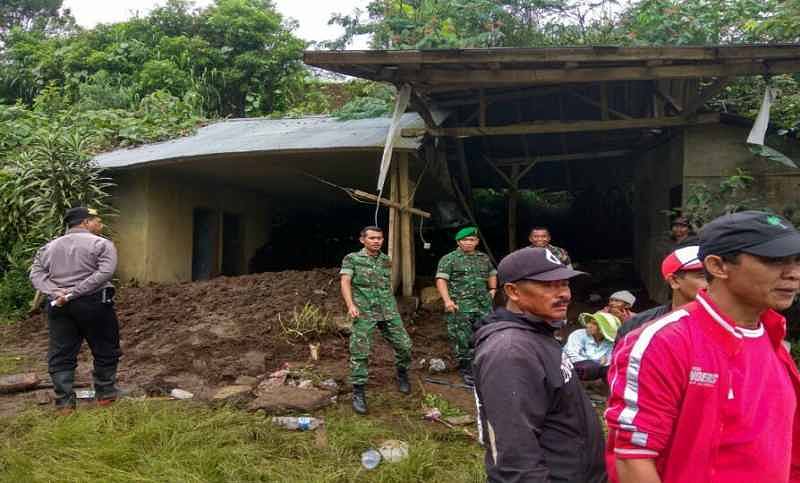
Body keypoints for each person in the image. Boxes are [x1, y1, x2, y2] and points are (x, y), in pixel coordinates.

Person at [606, 211, 800, 483]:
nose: (792, 274)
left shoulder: (771, 335)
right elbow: (633, 460)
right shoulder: (665, 342)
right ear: (718, 266)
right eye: (773, 260)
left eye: (796, 260)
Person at [473, 247, 607, 482]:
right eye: (548, 285)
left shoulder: (538, 332)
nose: (564, 294)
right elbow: (515, 459)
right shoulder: (511, 351)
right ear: (513, 291)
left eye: (564, 284)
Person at [29, 207, 122, 413]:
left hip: (59, 306)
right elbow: (105, 273)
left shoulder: (48, 247)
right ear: (85, 222)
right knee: (105, 347)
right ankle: (106, 395)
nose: (100, 224)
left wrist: (55, 292)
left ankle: (65, 403)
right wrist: (75, 292)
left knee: (61, 351)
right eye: (97, 221)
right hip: (95, 303)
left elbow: (36, 275)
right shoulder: (102, 244)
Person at [340, 226, 413, 415]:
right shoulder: (352, 259)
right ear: (362, 239)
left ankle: (402, 373)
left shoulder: (385, 260)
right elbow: (345, 282)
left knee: (404, 345)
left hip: (388, 310)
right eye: (372, 238)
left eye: (379, 238)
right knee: (360, 351)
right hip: (364, 311)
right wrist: (350, 305)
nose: (376, 241)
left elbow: (385, 285)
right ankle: (358, 391)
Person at [435, 226, 497, 385]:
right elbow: (441, 280)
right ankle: (466, 369)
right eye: (465, 240)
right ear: (458, 241)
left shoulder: (483, 258)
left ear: (477, 241)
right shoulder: (449, 259)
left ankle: (484, 364)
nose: (469, 243)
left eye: (472, 240)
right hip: (460, 305)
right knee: (462, 337)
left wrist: (493, 289)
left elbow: (492, 273)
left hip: (482, 304)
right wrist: (447, 300)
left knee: (486, 333)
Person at [615, 242, 707, 342]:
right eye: (703, 276)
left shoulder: (724, 323)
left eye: (716, 275)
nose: (713, 283)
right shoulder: (636, 326)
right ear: (674, 281)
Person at [564, 311, 620, 381]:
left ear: (603, 330)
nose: (588, 325)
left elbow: (608, 360)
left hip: (595, 369)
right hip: (571, 366)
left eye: (594, 324)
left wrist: (602, 362)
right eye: (590, 322)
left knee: (610, 369)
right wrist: (596, 361)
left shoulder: (609, 342)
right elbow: (572, 355)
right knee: (589, 366)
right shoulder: (578, 334)